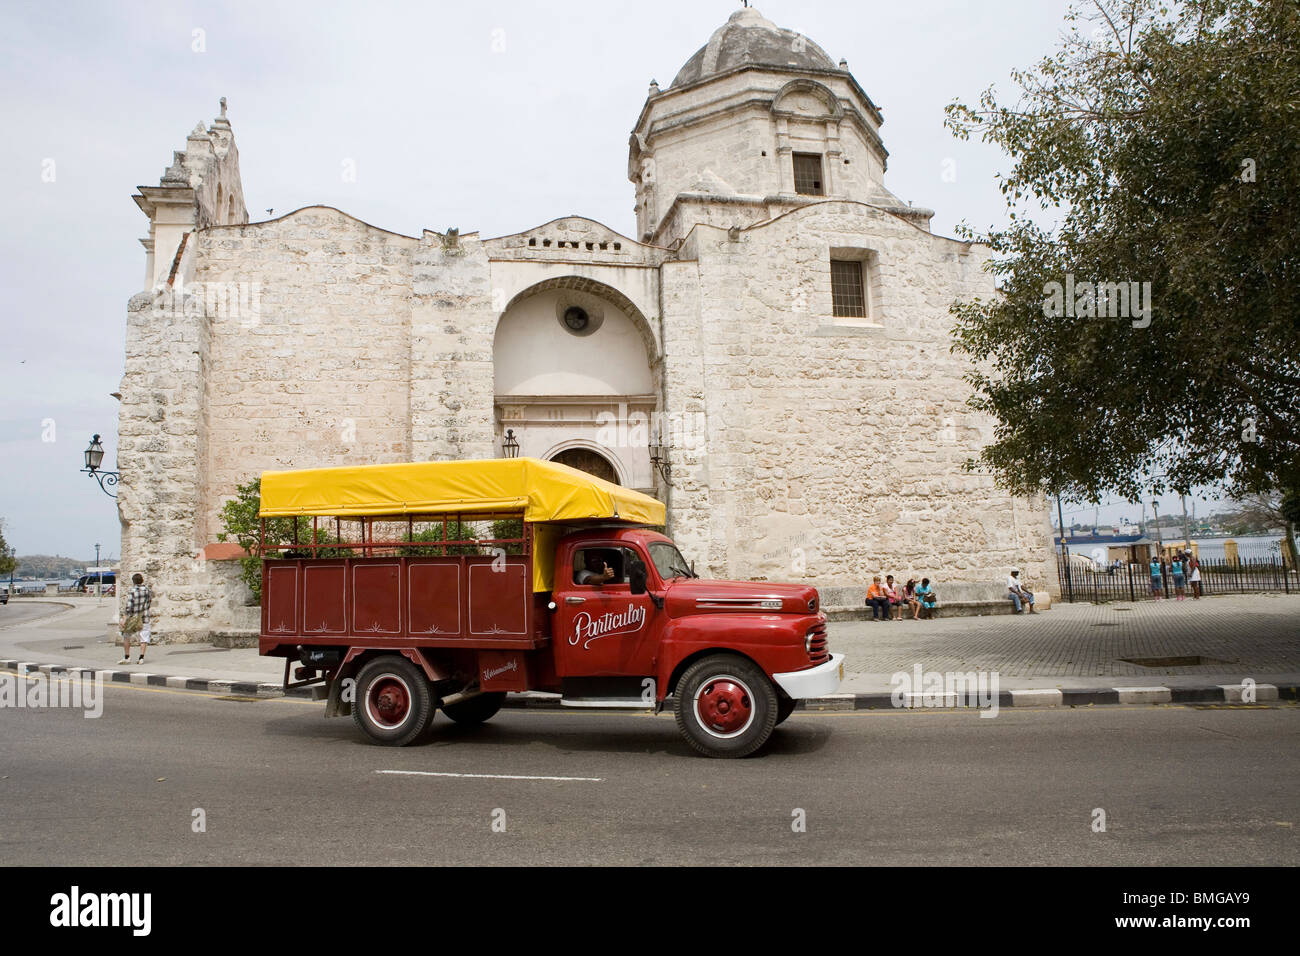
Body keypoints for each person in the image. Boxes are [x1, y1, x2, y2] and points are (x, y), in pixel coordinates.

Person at [119, 572, 153, 664]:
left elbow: (129, 606)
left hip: (132, 617)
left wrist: (124, 618)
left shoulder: (132, 591)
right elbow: (149, 602)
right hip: (144, 616)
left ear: (133, 581)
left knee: (126, 636)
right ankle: (141, 657)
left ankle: (127, 657)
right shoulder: (148, 590)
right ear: (142, 580)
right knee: (144, 637)